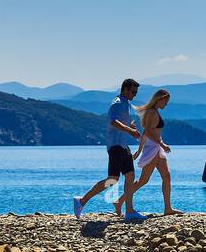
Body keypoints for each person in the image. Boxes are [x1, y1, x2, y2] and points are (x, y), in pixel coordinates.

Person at [73, 78, 146, 221]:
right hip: (115, 146)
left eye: (136, 93)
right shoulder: (117, 104)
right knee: (112, 180)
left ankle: (129, 211)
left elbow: (122, 121)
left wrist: (131, 127)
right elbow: (113, 122)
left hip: (123, 146)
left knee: (130, 176)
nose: (134, 95)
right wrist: (130, 131)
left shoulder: (127, 104)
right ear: (125, 89)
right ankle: (81, 201)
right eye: (133, 92)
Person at [132, 89, 181, 216]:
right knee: (143, 180)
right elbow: (147, 132)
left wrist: (139, 150)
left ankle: (168, 208)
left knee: (166, 176)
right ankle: (120, 201)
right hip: (153, 149)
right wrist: (161, 144)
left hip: (156, 149)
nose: (167, 104)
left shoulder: (154, 112)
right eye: (166, 101)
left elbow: (148, 133)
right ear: (160, 99)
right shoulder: (152, 112)